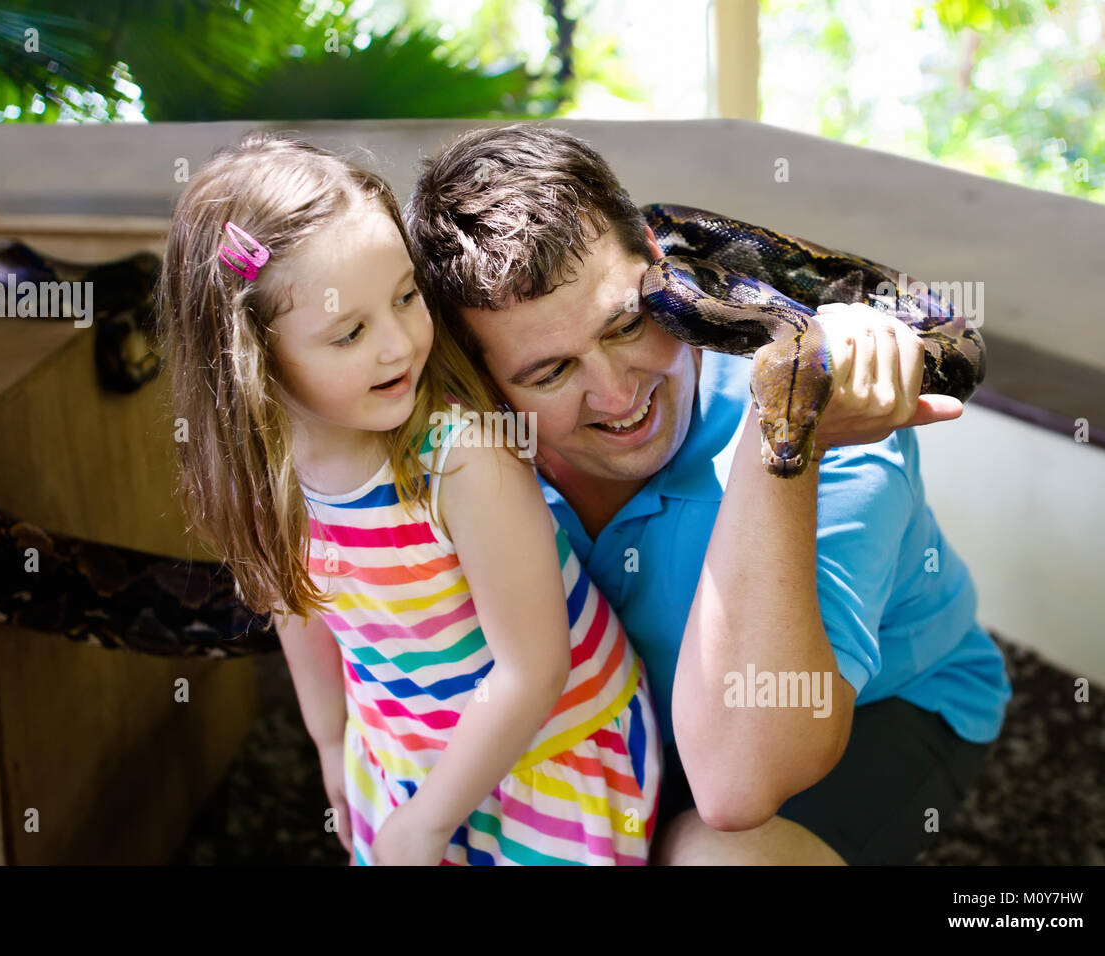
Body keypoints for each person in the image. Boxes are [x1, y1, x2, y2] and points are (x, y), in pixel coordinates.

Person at [403, 123, 1012, 865]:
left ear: (663, 270)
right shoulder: (466, 445)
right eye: (549, 373)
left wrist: (782, 448)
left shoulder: (842, 416)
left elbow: (737, 785)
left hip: (879, 705)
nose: (617, 391)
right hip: (643, 724)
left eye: (628, 324)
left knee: (716, 856)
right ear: (481, 383)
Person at [156, 130, 662, 866]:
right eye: (350, 331)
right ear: (253, 359)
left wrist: (427, 821)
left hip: (550, 751)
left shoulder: (461, 460)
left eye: (405, 297)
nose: (398, 345)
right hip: (406, 752)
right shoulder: (270, 475)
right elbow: (299, 610)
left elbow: (534, 670)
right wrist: (331, 744)